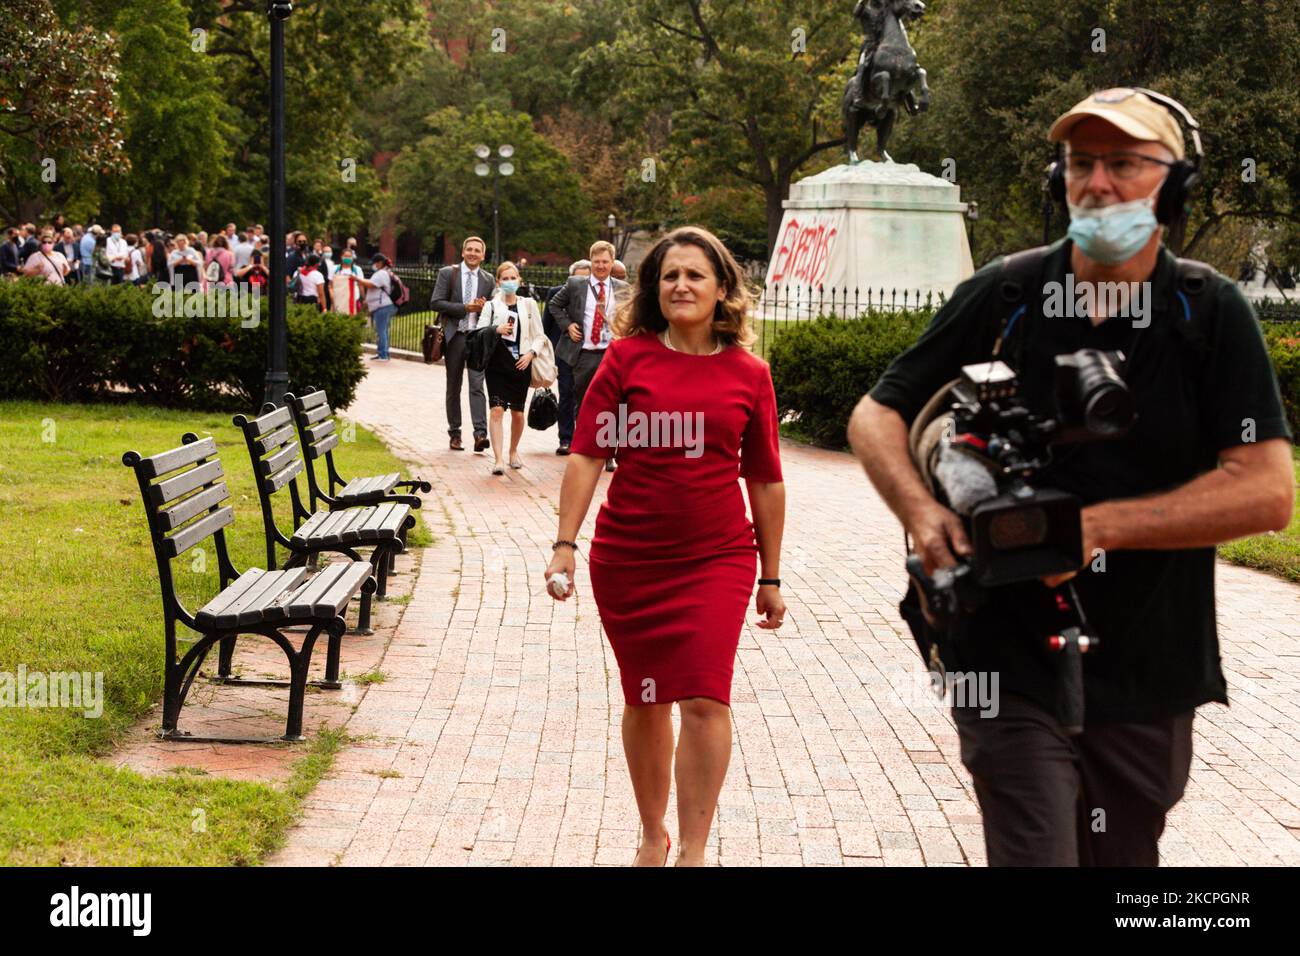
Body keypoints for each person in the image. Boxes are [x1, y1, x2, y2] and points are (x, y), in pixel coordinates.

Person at [848, 88, 1296, 867]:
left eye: (1124, 164)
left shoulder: (1209, 313)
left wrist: (1094, 530)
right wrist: (922, 513)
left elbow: (1266, 490)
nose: (1097, 183)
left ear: (1175, 185)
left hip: (1150, 661)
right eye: (1081, 164)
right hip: (1003, 650)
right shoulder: (1007, 293)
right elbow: (876, 414)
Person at [544, 225, 787, 867]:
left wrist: (772, 575)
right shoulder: (626, 360)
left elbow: (764, 478)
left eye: (695, 275)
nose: (681, 284)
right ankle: (654, 835)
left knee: (707, 694)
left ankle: (695, 852)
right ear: (655, 287)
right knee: (647, 698)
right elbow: (588, 453)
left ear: (722, 289)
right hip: (630, 559)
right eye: (670, 275)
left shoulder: (750, 374)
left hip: (717, 558)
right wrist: (565, 542)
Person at [547, 241, 631, 472]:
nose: (601, 266)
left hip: (612, 354)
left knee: (615, 405)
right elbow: (554, 305)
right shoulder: (576, 284)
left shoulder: (623, 288)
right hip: (584, 353)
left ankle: (608, 453)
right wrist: (568, 325)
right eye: (597, 262)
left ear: (612, 263)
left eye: (605, 262)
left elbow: (631, 318)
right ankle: (587, 449)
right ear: (591, 261)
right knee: (584, 405)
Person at [475, 261, 548, 474]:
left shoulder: (529, 305)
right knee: (497, 409)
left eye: (512, 278)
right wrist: (496, 329)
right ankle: (498, 459)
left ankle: (513, 451)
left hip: (521, 362)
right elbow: (479, 333)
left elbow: (540, 335)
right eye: (504, 279)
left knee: (517, 412)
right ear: (498, 282)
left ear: (519, 280)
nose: (509, 282)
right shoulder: (491, 306)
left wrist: (531, 353)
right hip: (497, 363)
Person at [431, 236, 494, 452]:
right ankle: (455, 433)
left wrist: (485, 307)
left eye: (478, 250)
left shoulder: (488, 279)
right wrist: (465, 308)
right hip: (456, 336)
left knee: (477, 385)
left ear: (483, 255)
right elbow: (436, 302)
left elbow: (495, 310)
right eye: (470, 249)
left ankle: (480, 434)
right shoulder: (448, 274)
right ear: (463, 252)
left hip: (477, 338)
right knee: (454, 386)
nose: (473, 253)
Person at [543, 259, 589, 455]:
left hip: (588, 353)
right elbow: (546, 325)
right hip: (564, 352)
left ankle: (585, 438)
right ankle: (566, 439)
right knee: (566, 395)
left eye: (586, 277)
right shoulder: (557, 293)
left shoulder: (596, 295)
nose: (582, 280)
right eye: (578, 276)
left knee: (587, 397)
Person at [355, 253, 396, 361]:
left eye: (375, 263)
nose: (374, 265)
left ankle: (383, 354)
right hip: (385, 305)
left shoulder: (382, 273)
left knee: (381, 330)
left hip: (382, 306)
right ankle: (383, 352)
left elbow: (371, 285)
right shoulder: (385, 272)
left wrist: (358, 279)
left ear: (380, 263)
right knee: (383, 330)